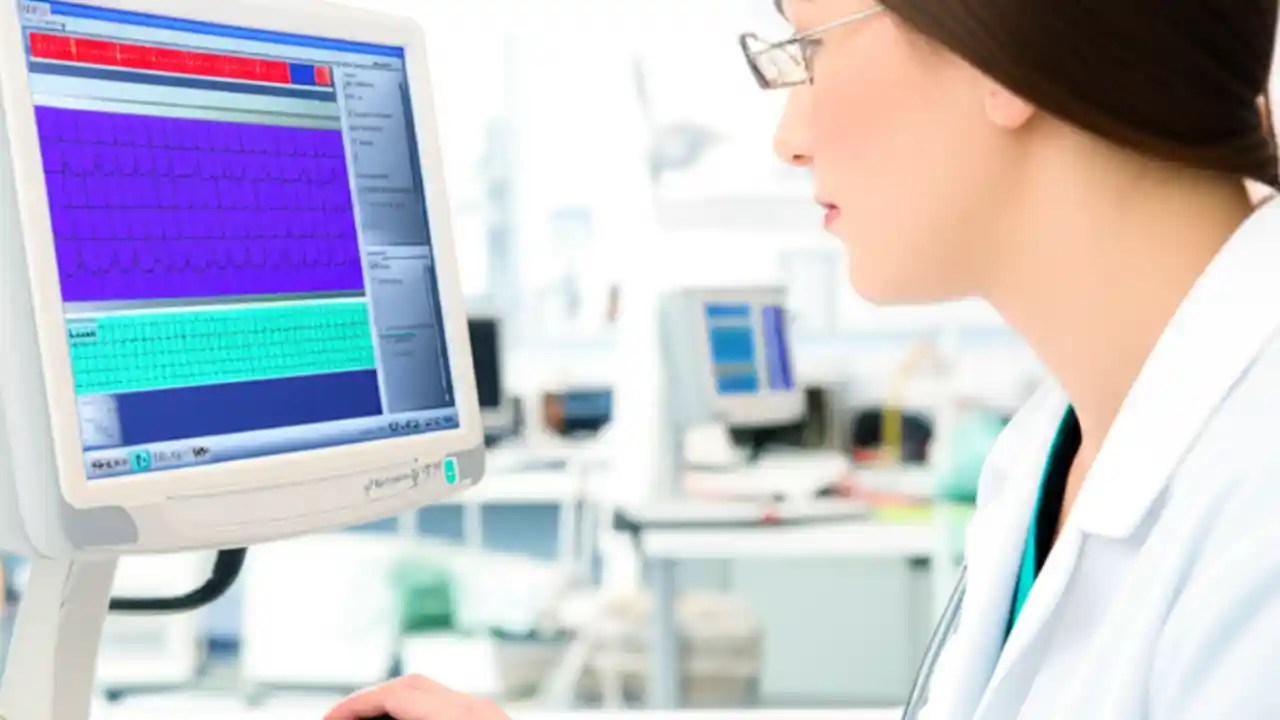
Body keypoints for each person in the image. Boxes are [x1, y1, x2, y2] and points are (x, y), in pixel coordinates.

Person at [327, 1, 1280, 718]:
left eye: (808, 49)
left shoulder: (1258, 502)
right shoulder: (1054, 447)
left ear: (1009, 51)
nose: (787, 140)